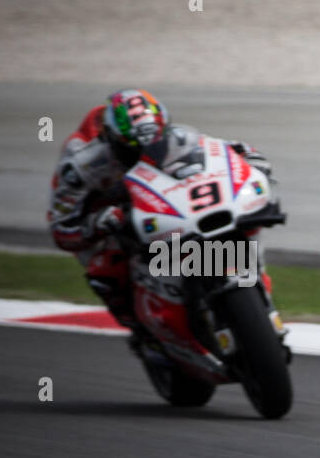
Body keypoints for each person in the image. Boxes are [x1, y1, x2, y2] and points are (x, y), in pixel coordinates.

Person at [46, 88, 272, 332]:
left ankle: (256, 289)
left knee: (240, 222)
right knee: (106, 269)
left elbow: (224, 149)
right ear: (111, 139)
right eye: (133, 150)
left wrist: (252, 161)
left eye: (155, 142)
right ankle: (144, 331)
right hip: (107, 222)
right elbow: (61, 227)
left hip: (164, 205)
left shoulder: (175, 136)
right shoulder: (82, 165)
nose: (145, 155)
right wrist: (103, 220)